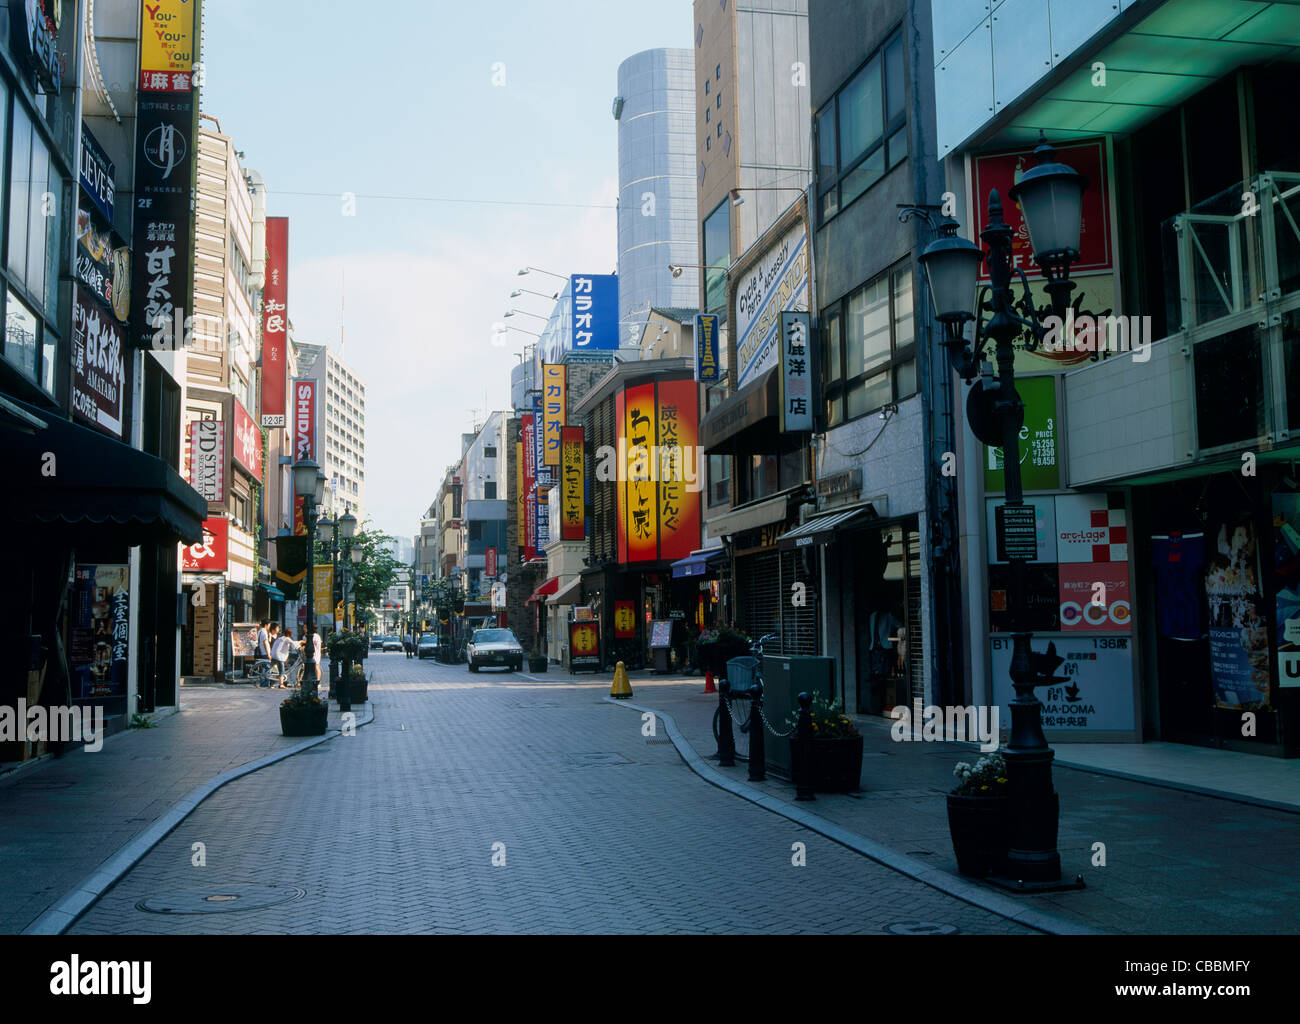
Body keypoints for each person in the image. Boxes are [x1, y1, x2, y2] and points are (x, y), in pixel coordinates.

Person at [253, 620, 274, 686]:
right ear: (266, 625)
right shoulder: (264, 632)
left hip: (261, 652)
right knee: (267, 668)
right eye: (269, 625)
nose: (269, 626)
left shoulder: (259, 631)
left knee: (262, 668)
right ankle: (266, 683)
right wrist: (268, 654)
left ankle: (262, 682)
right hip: (265, 652)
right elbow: (265, 643)